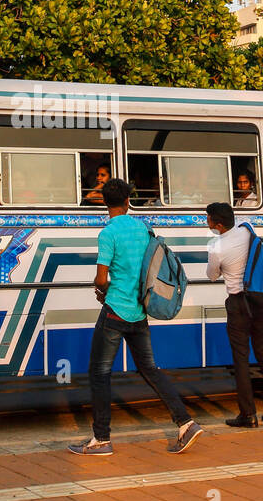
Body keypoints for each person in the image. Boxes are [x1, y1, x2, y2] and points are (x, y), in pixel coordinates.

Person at [68, 178, 203, 455]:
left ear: (105, 203)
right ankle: (185, 423)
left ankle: (101, 439)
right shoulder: (142, 228)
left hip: (115, 312)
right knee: (150, 369)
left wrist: (101, 290)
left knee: (100, 373)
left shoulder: (108, 233)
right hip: (140, 311)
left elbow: (101, 278)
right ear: (128, 202)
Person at [205, 202, 263, 427]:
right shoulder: (247, 229)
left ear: (218, 225)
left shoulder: (216, 247)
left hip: (239, 304)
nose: (206, 221)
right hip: (261, 299)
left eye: (208, 218)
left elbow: (211, 275)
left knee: (241, 359)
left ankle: (248, 414)